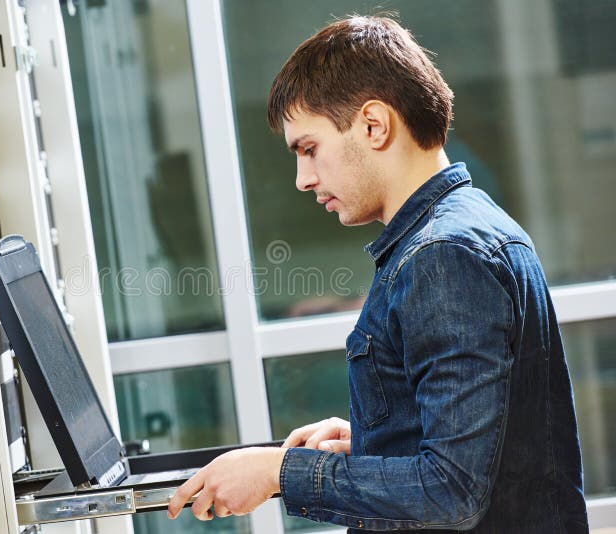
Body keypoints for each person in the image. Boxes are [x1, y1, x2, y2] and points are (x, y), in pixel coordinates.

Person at [167, 14, 589, 533]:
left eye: (308, 149)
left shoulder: (444, 256)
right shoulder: (464, 229)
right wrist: (377, 438)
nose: (303, 179)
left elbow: (451, 491)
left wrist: (280, 471)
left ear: (374, 125)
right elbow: (487, 455)